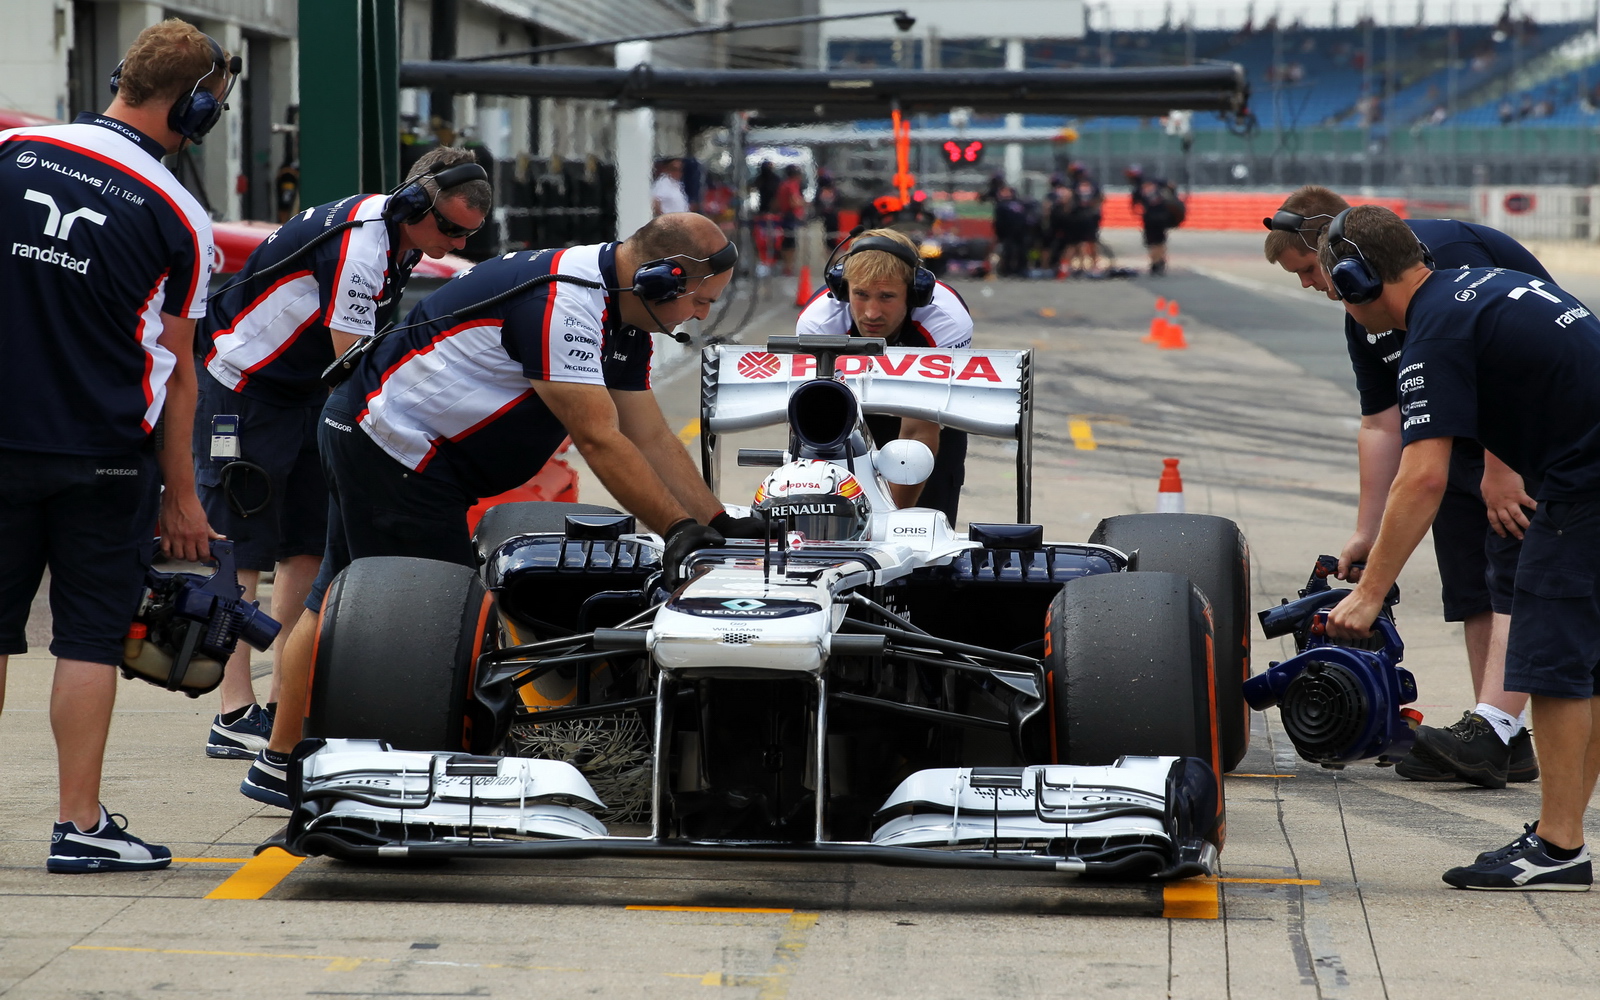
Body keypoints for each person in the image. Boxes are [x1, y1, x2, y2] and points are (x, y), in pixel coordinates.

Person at [238, 213, 765, 808]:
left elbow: (649, 435)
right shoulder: (564, 304)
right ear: (662, 279)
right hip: (395, 449)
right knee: (440, 625)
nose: (700, 315)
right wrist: (677, 530)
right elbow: (600, 440)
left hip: (387, 439)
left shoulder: (621, 314)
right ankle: (405, 775)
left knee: (334, 596)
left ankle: (280, 761)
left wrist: (716, 523)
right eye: (701, 300)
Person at [0, 18, 228, 872]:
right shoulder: (182, 219)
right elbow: (178, 374)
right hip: (101, 459)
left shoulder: (12, 155)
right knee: (89, 640)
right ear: (196, 109)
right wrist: (183, 493)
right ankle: (79, 827)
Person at [1321, 205, 1600, 891]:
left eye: (1338, 292)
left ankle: (1559, 847)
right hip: (1585, 467)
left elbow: (1423, 478)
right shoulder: (1474, 285)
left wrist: (1369, 592)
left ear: (1360, 282)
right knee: (1587, 659)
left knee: (1554, 659)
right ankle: (1561, 836)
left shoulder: (1434, 330)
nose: (1341, 306)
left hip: (1584, 480)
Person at [193, 147, 491, 760]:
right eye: (450, 229)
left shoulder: (405, 239)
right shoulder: (362, 241)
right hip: (244, 389)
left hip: (301, 390)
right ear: (415, 203)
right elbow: (352, 363)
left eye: (468, 235)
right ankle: (232, 708)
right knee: (239, 549)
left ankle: (286, 699)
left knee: (306, 545)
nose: (453, 242)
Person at [1264, 185, 1551, 788]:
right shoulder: (1363, 310)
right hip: (1450, 424)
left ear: (1336, 247)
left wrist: (1504, 468)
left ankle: (1494, 726)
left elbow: (1511, 364)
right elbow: (1380, 421)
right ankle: (1498, 738)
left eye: (1312, 269)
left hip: (1526, 420)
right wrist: (1368, 532)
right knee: (1471, 580)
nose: (1311, 285)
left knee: (1511, 564)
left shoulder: (1435, 258)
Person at [796, 229, 973, 520]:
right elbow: (814, 429)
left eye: (887, 297)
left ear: (914, 293)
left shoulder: (947, 320)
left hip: (926, 415)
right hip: (848, 408)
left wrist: (891, 523)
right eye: (861, 295)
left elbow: (919, 431)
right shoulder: (819, 322)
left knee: (927, 517)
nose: (871, 313)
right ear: (842, 289)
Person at [1129, 167, 1176, 275]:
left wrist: (1141, 210)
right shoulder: (1156, 181)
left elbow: (1134, 205)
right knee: (1160, 240)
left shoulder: (1137, 189)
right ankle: (1160, 261)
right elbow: (1171, 185)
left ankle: (1155, 262)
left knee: (1152, 242)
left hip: (1149, 217)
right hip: (1162, 215)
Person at [772, 165, 807, 276]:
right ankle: (788, 267)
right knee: (790, 243)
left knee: (786, 241)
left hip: (785, 215)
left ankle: (787, 266)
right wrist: (804, 203)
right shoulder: (791, 185)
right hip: (790, 216)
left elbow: (776, 203)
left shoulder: (783, 185)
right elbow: (794, 202)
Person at [992, 185, 1031, 278]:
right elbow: (998, 222)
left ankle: (1021, 270)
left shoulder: (1020, 203)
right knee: (1008, 252)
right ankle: (1007, 270)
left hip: (1021, 233)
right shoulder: (1001, 205)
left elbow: (1026, 218)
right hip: (1008, 233)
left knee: (1022, 252)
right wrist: (999, 234)